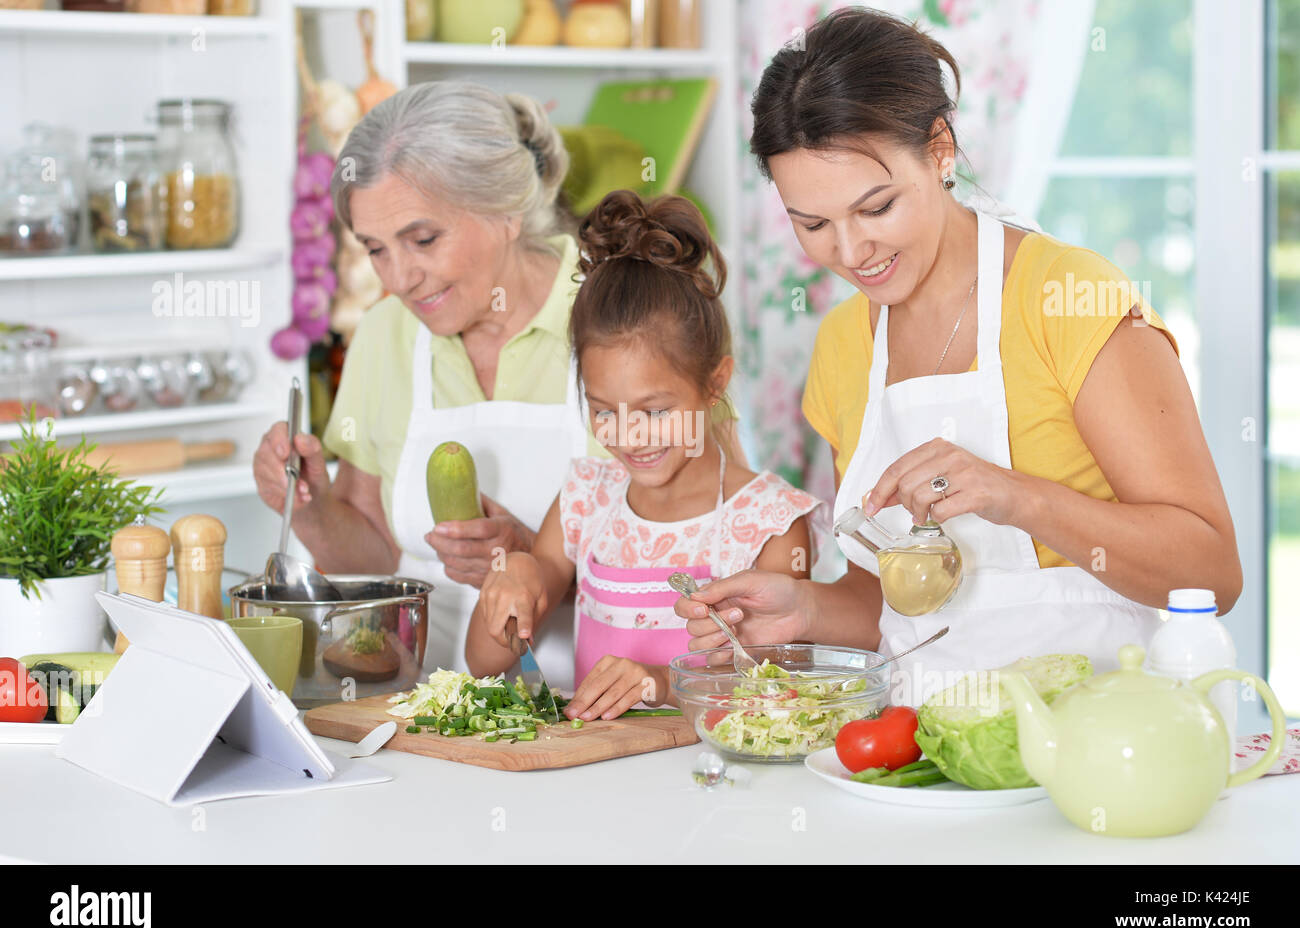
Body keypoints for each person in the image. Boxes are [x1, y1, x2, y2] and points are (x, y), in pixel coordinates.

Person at [673, 8, 1242, 706]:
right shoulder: (842, 349)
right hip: (923, 744)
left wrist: (1017, 496)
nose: (851, 254)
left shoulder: (1067, 295)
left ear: (939, 148)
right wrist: (805, 609)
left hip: (1098, 740)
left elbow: (1212, 572)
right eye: (812, 224)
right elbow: (892, 599)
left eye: (876, 207)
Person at [253, 82, 742, 685]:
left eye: (424, 239)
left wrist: (539, 559)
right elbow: (377, 556)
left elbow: (720, 562)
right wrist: (307, 504)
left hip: (602, 706)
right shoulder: (385, 334)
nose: (400, 277)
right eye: (375, 249)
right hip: (427, 704)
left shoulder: (626, 317)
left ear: (507, 211)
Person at [467, 191, 827, 721]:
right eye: (604, 410)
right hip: (600, 783)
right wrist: (514, 574)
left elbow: (777, 684)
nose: (629, 436)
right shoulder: (585, 499)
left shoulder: (769, 524)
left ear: (714, 384)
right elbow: (484, 661)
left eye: (655, 411)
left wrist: (662, 684)